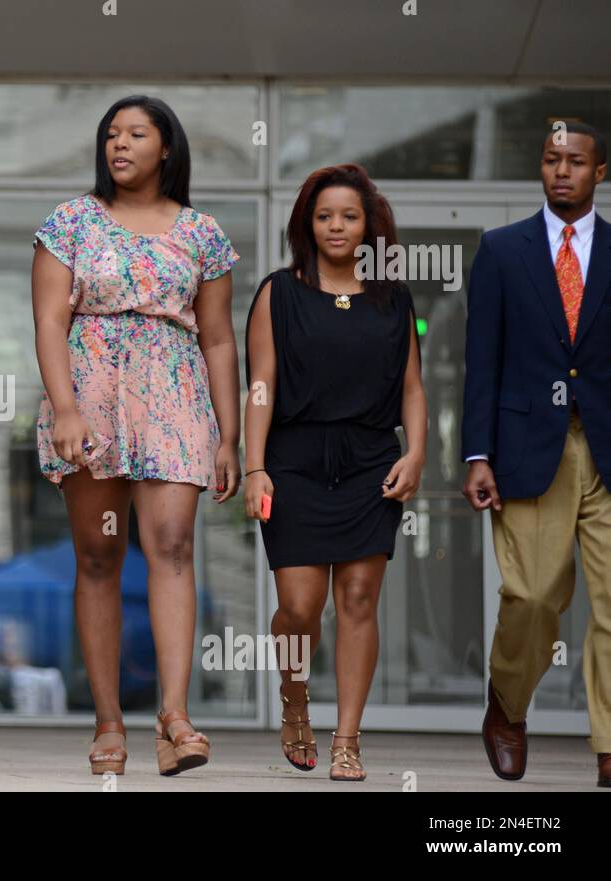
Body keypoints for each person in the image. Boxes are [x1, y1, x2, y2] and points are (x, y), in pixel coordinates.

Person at [32, 95, 241, 776]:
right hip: (90, 393)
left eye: (136, 134)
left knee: (172, 545)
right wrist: (65, 409)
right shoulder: (69, 222)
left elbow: (216, 338)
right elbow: (47, 323)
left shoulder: (203, 233)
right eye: (111, 135)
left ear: (167, 149)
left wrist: (229, 434)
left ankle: (175, 717)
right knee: (97, 556)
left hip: (174, 395)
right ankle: (108, 718)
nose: (119, 144)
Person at [243, 163, 426, 782]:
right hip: (293, 461)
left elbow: (413, 388)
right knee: (299, 605)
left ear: (369, 225)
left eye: (349, 216)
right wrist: (254, 466)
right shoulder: (279, 291)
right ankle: (296, 704)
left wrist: (417, 452)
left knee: (356, 598)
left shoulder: (392, 297)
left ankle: (348, 738)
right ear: (307, 224)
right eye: (324, 216)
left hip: (370, 463)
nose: (337, 226)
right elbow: (261, 385)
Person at [463, 122, 611, 788]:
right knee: (532, 594)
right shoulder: (501, 250)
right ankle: (508, 706)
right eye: (551, 159)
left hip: (606, 448)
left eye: (575, 162)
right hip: (526, 449)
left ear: (599, 172)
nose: (561, 171)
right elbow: (480, 362)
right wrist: (476, 453)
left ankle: (608, 744)